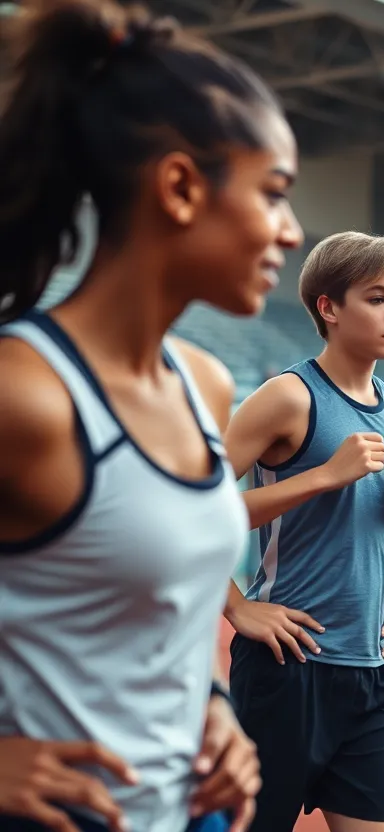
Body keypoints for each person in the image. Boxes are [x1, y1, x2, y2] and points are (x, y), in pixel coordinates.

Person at [0, 1, 303, 830]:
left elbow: (162, 607)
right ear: (178, 187)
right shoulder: (23, 394)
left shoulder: (203, 386)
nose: (290, 230)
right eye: (273, 193)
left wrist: (209, 702)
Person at [219, 231, 384, 832]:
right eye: (377, 298)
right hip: (291, 666)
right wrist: (236, 608)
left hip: (375, 672)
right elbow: (189, 509)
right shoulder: (288, 397)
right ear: (328, 308)